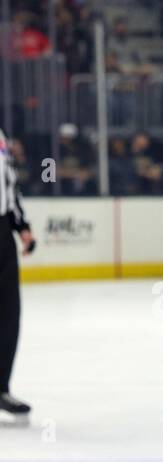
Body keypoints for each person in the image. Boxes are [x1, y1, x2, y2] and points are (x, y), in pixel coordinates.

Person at [0, 128, 36, 425]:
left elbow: (10, 185)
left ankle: (0, 387)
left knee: (8, 313)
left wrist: (21, 225)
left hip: (1, 234)